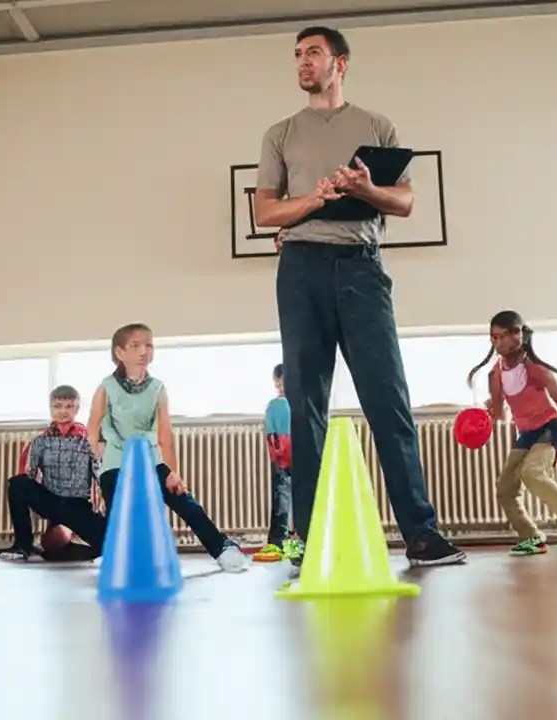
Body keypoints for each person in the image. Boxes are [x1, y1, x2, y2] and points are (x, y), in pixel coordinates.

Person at [252, 25, 465, 569]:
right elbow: (265, 212)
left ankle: (421, 534)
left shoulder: (377, 126)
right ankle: (309, 539)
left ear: (339, 63)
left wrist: (364, 189)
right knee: (305, 405)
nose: (303, 62)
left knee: (388, 399)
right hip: (301, 269)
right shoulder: (280, 133)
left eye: (313, 53)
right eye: (297, 55)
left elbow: (405, 202)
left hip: (362, 269)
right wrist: (316, 197)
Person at [87, 323, 250, 573]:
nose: (144, 351)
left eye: (149, 345)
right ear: (120, 353)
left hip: (150, 459)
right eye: (135, 346)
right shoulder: (106, 387)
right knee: (119, 513)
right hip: (115, 462)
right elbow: (92, 428)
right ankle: (116, 556)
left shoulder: (157, 388)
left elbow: (165, 434)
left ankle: (223, 549)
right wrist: (95, 469)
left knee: (186, 503)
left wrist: (173, 472)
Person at [467, 311, 557, 555]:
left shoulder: (535, 369)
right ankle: (531, 537)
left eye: (504, 336)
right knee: (505, 488)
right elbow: (498, 413)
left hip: (548, 428)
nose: (498, 342)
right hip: (526, 434)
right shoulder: (495, 374)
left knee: (532, 473)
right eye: (494, 337)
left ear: (519, 335)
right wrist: (479, 419)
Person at [0, 385, 106, 563]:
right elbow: (29, 475)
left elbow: (99, 475)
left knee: (109, 546)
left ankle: (81, 548)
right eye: (57, 406)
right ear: (50, 408)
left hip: (78, 505)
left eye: (69, 406)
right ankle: (22, 546)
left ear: (77, 409)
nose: (63, 412)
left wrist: (101, 509)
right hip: (52, 502)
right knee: (18, 484)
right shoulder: (40, 440)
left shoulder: (88, 439)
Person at [254, 363, 298, 562]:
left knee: (298, 502)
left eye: (283, 383)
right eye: (277, 383)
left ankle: (295, 543)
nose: (280, 387)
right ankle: (277, 542)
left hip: (298, 457)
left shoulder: (299, 403)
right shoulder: (274, 406)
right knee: (281, 501)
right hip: (282, 460)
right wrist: (277, 455)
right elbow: (270, 434)